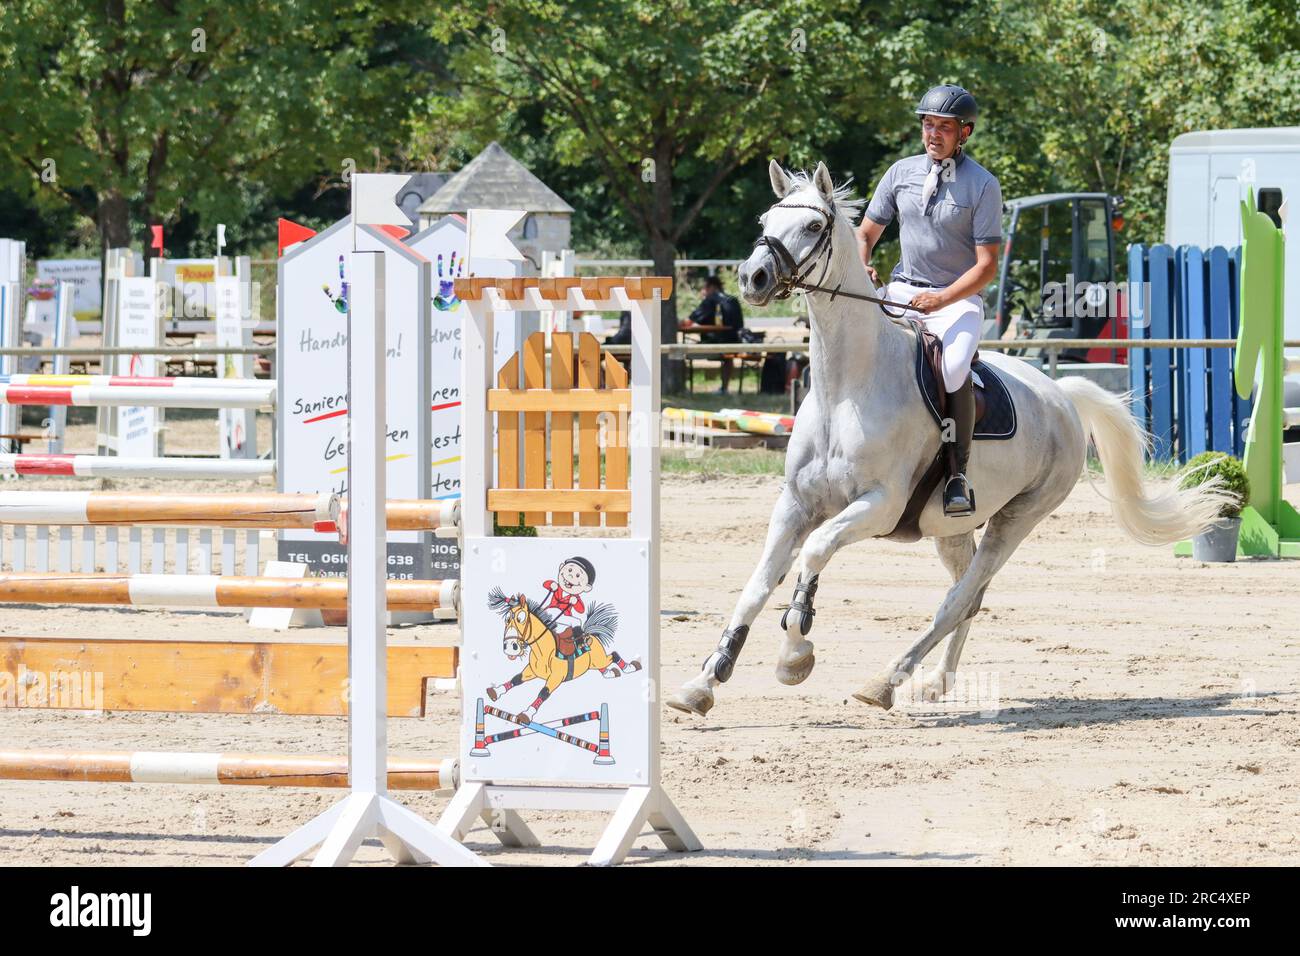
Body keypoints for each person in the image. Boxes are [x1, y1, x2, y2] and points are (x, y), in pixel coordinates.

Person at [855, 84, 1002, 517]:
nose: (933, 134)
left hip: (958, 299)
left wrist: (942, 300)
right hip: (903, 290)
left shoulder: (982, 186)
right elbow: (865, 234)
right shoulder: (900, 173)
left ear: (965, 132)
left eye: (944, 127)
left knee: (954, 367)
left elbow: (986, 266)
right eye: (928, 124)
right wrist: (864, 265)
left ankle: (957, 474)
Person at [684, 275, 745, 393]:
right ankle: (724, 388)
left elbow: (690, 321)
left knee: (680, 351)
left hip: (714, 344)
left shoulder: (711, 300)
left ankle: (683, 386)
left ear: (711, 287)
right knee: (728, 357)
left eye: (704, 288)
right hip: (735, 342)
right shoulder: (732, 299)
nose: (703, 291)